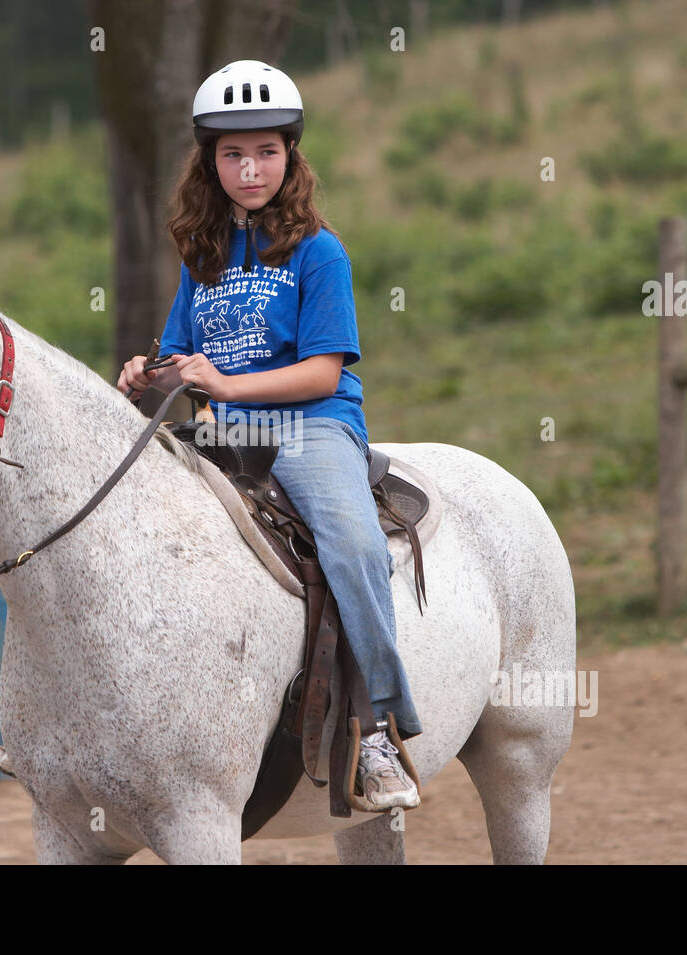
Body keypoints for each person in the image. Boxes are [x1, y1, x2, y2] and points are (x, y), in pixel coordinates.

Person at [117, 59, 422, 811]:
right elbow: (183, 362)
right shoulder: (204, 254)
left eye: (265, 151)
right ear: (208, 160)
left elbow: (322, 372)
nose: (249, 168)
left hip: (312, 429)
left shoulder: (319, 250)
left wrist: (222, 386)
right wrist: (150, 375)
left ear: (291, 156)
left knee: (352, 545)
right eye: (232, 153)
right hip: (225, 433)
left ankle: (378, 727)